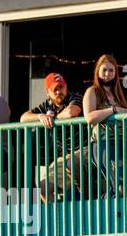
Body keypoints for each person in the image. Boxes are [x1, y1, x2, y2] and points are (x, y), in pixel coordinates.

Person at [21, 73, 84, 202]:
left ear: (66, 87)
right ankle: (55, 219)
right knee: (43, 188)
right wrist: (40, 116)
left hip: (84, 151)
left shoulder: (75, 96)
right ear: (47, 91)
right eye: (54, 89)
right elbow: (23, 118)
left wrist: (52, 117)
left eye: (61, 87)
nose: (58, 91)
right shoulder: (47, 105)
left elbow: (72, 112)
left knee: (77, 192)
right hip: (64, 157)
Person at [83, 54, 127, 196]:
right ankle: (105, 215)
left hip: (123, 143)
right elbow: (89, 117)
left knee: (124, 186)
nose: (107, 74)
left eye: (111, 70)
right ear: (97, 71)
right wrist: (113, 110)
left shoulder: (117, 93)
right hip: (103, 144)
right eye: (104, 70)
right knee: (119, 185)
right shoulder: (93, 91)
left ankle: (118, 215)